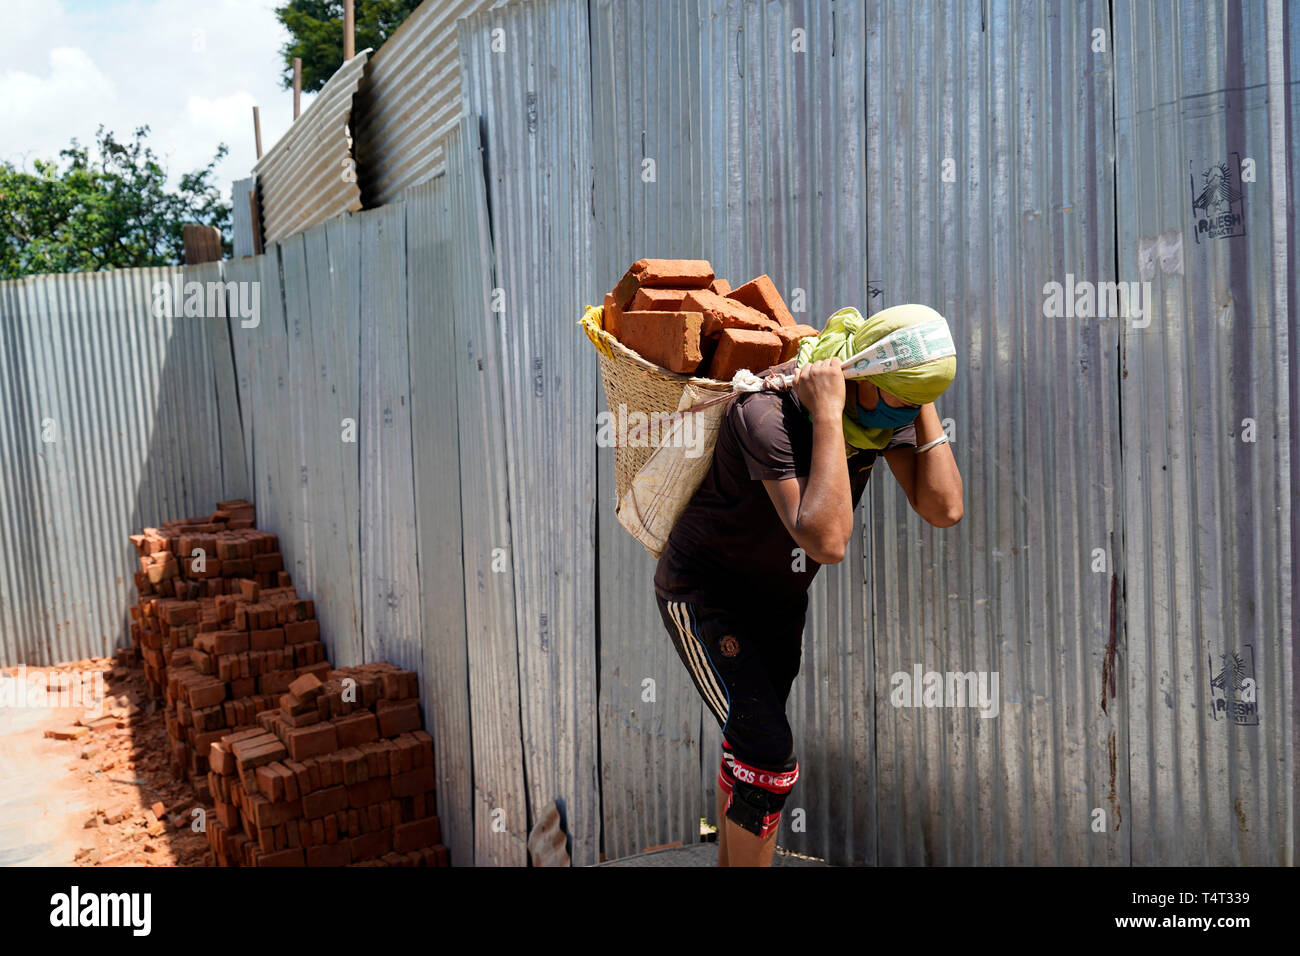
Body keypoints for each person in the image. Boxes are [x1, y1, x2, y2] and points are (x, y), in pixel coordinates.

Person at [652, 303, 963, 866]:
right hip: (704, 597)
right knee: (769, 753)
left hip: (778, 603)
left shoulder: (875, 417)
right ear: (862, 379)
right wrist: (826, 416)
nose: (904, 418)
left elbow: (942, 507)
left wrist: (918, 399)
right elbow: (827, 542)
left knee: (751, 746)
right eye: (901, 401)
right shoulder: (766, 412)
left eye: (915, 404)